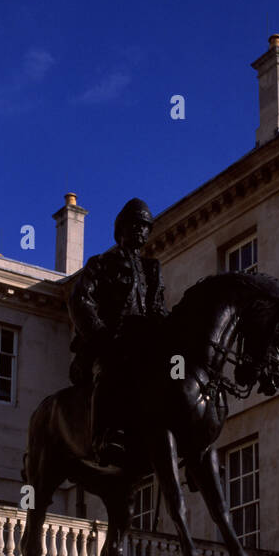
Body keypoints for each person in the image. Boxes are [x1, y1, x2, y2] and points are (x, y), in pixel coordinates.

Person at [68, 198, 167, 466]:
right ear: (120, 229)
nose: (140, 231)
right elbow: (81, 301)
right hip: (108, 342)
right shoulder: (100, 263)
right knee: (111, 369)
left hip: (143, 343)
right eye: (134, 225)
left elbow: (157, 308)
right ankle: (104, 436)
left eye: (145, 226)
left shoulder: (152, 269)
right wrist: (101, 336)